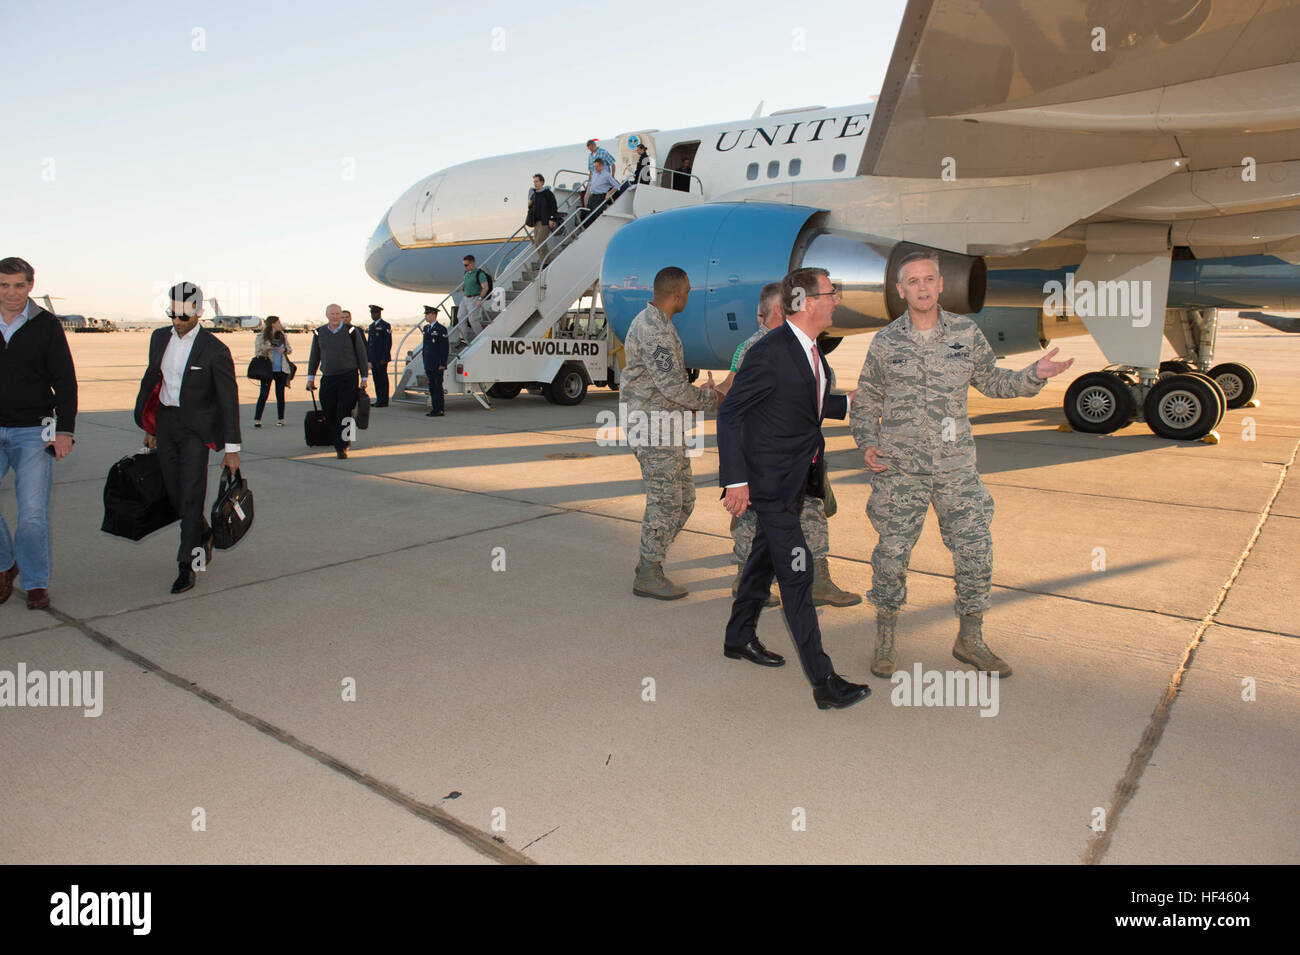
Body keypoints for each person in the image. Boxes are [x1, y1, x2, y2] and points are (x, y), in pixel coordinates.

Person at [852, 251, 1074, 679]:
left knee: (975, 551)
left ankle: (970, 637)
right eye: (912, 281)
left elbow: (994, 383)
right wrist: (866, 443)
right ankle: (885, 633)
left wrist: (1036, 372)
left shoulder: (966, 334)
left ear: (939, 286)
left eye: (928, 280)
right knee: (892, 555)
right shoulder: (885, 342)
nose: (921, 287)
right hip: (899, 470)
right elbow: (868, 400)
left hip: (955, 468)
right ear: (901, 291)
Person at [717, 267, 870, 711]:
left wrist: (847, 402)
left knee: (763, 560)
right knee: (798, 574)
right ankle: (824, 681)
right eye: (831, 292)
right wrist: (736, 480)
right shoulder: (769, 351)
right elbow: (731, 414)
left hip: (796, 479)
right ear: (804, 301)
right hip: (768, 482)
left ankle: (738, 636)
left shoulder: (811, 350)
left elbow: (804, 400)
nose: (837, 299)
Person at [723, 282, 859, 608]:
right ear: (780, 312)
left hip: (798, 454)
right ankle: (747, 578)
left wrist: (843, 404)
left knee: (810, 512)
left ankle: (818, 581)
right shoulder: (761, 349)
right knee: (757, 519)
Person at [622, 266, 724, 599]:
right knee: (665, 501)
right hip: (653, 428)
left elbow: (668, 386)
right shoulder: (655, 330)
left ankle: (649, 561)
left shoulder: (661, 325)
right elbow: (671, 387)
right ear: (677, 294)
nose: (689, 295)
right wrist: (715, 399)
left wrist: (693, 395)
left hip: (667, 425)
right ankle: (650, 571)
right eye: (689, 290)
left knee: (685, 501)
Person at [134, 282, 240, 595]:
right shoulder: (157, 339)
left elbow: (229, 401)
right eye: (173, 312)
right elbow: (153, 382)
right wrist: (150, 427)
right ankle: (202, 532)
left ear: (199, 311)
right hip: (166, 423)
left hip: (197, 431)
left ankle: (187, 564)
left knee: (192, 495)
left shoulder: (215, 349)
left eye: (184, 313)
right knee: (174, 493)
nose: (177, 319)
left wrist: (232, 449)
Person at [0, 256, 77, 610]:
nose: (11, 293)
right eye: (3, 285)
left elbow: (64, 378)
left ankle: (33, 583)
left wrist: (65, 430)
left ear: (30, 285)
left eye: (18, 285)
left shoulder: (46, 325)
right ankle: (4, 566)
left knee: (32, 512)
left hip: (34, 429)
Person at [306, 303, 369, 459]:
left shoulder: (351, 331)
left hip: (348, 376)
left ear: (342, 315)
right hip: (328, 377)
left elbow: (361, 355)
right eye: (332, 314)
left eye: (337, 313)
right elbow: (314, 356)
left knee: (344, 411)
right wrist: (310, 378)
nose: (335, 316)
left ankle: (343, 446)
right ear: (327, 315)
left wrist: (364, 377)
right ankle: (337, 440)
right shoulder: (319, 332)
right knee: (329, 411)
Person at [253, 315, 292, 427]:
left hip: (281, 369)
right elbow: (257, 353)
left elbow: (289, 349)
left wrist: (284, 349)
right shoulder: (261, 337)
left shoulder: (283, 336)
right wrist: (267, 349)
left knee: (280, 395)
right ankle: (257, 419)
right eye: (278, 322)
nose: (280, 324)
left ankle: (280, 419)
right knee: (264, 394)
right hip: (267, 369)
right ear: (273, 324)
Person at [421, 305, 449, 417]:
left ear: (433, 315)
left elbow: (444, 348)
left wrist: (442, 363)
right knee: (432, 387)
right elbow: (426, 347)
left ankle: (440, 409)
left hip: (437, 364)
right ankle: (434, 408)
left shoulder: (441, 329)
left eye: (427, 314)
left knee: (438, 387)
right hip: (429, 363)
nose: (425, 316)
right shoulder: (426, 328)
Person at [526, 174, 558, 261]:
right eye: (534, 182)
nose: (535, 183)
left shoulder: (548, 194)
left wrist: (552, 219)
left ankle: (546, 262)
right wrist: (530, 201)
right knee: (536, 244)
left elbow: (553, 207)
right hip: (536, 222)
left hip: (545, 221)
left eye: (536, 181)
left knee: (540, 241)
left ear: (542, 182)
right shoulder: (534, 195)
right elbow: (530, 208)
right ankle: (544, 260)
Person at [366, 304, 392, 407]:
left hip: (381, 359)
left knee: (382, 379)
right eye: (372, 313)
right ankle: (379, 399)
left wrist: (384, 358)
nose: (373, 315)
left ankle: (384, 400)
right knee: (376, 379)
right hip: (373, 358)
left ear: (379, 313)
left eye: (374, 313)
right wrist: (369, 358)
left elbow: (387, 343)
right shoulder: (372, 326)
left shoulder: (385, 325)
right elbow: (370, 344)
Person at [459, 255, 491, 338]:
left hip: (474, 298)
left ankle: (480, 337)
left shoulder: (480, 274)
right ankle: (463, 338)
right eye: (464, 265)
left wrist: (480, 299)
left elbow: (485, 287)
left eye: (466, 265)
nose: (464, 267)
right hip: (465, 298)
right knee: (460, 317)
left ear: (472, 263)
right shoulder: (466, 273)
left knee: (473, 320)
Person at [584, 158, 618, 224]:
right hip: (592, 197)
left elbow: (616, 186)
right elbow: (592, 185)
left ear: (601, 166)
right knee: (588, 217)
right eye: (595, 166)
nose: (595, 168)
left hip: (600, 197)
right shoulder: (594, 174)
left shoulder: (606, 175)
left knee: (597, 216)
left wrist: (609, 193)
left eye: (597, 166)